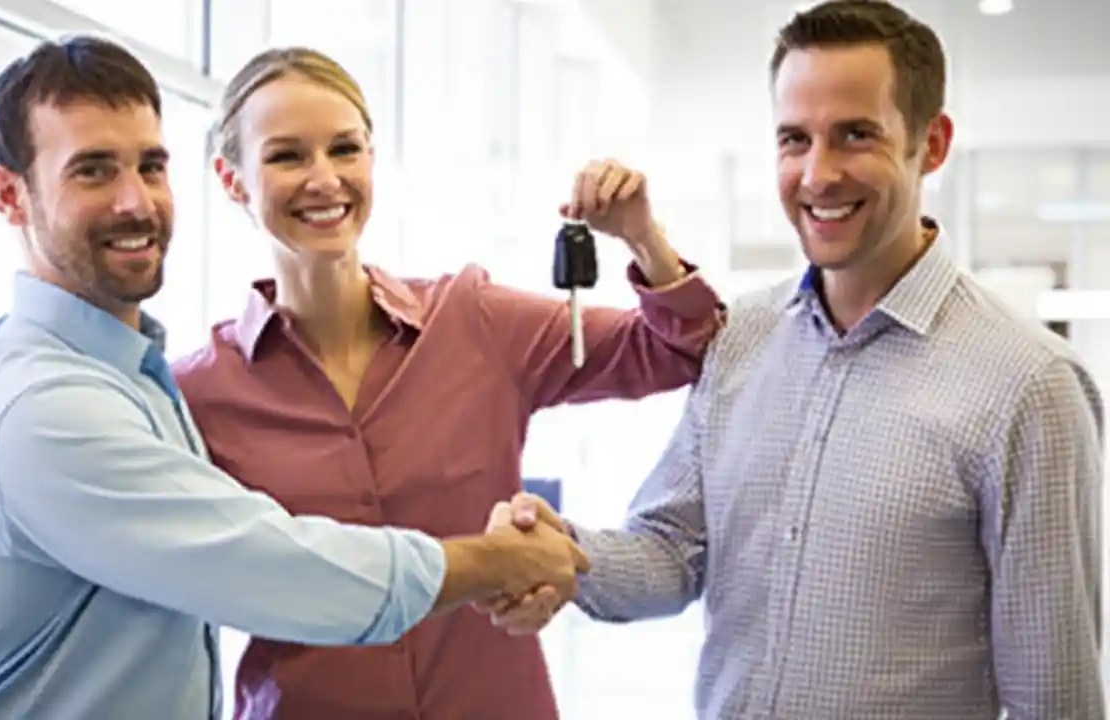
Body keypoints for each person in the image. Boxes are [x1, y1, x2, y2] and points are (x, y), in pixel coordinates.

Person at [0, 35, 591, 720]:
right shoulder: (45, 409)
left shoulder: (133, 376)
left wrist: (644, 246)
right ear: (9, 195)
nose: (135, 202)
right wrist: (503, 561)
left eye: (150, 166)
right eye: (92, 171)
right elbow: (276, 567)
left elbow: (661, 345)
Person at [486, 1, 1106, 718]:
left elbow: (1054, 698)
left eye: (855, 135)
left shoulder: (1030, 387)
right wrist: (567, 557)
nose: (818, 174)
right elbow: (673, 548)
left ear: (931, 145)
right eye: (794, 139)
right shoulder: (742, 338)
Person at [170, 47, 726, 719]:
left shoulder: (474, 320)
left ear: (371, 158)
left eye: (345, 149)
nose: (324, 179)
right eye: (287, 156)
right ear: (233, 180)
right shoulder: (197, 395)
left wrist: (641, 235)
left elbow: (678, 348)